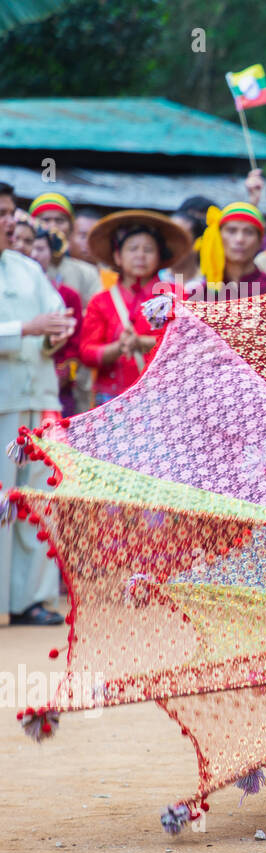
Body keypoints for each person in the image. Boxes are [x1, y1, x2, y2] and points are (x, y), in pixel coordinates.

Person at [0, 182, 76, 626]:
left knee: (35, 500)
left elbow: (56, 321)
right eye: (2, 213)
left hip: (39, 399)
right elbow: (32, 324)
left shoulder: (28, 268)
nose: (10, 221)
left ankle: (31, 599)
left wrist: (55, 333)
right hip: (3, 401)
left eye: (10, 212)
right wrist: (25, 328)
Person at [80, 210, 189, 407]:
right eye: (132, 249)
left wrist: (142, 342)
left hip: (163, 398)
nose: (140, 255)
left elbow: (187, 344)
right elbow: (87, 352)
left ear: (159, 256)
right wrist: (118, 348)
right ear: (118, 256)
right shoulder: (101, 301)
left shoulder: (176, 296)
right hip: (111, 401)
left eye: (148, 250)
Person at [28, 227, 85, 419]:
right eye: (28, 245)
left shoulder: (68, 295)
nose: (34, 254)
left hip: (58, 384)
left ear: (52, 253)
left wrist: (64, 372)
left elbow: (75, 341)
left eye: (40, 248)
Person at [196, 202, 266, 301]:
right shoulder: (201, 295)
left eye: (248, 232)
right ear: (218, 237)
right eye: (231, 231)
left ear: (260, 241)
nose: (240, 239)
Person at [29, 192, 102, 308]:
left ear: (70, 228)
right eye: (46, 220)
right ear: (31, 225)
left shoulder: (88, 273)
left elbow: (97, 312)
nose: (53, 226)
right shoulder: (21, 266)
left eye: (60, 221)